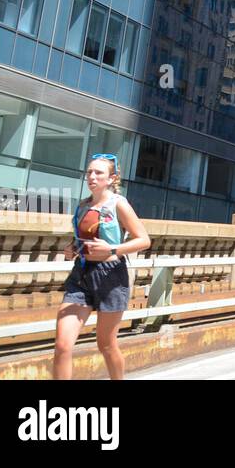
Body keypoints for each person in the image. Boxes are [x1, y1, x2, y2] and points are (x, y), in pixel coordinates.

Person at [54, 153, 151, 380]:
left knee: (106, 345)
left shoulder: (119, 204)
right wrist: (72, 248)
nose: (92, 176)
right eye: (89, 172)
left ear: (111, 178)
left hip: (111, 278)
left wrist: (113, 249)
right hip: (81, 275)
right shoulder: (82, 206)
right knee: (62, 345)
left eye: (98, 173)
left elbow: (144, 240)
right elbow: (82, 238)